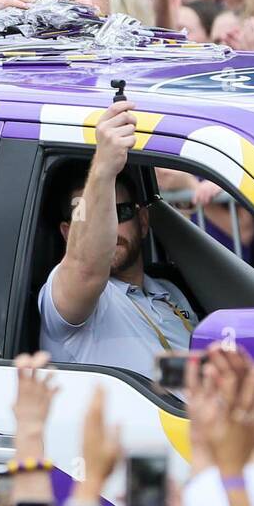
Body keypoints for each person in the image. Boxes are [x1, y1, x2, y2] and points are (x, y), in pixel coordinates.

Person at [39, 102, 199, 379]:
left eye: (120, 212)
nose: (110, 228)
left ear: (143, 222)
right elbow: (86, 267)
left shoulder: (169, 292)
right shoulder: (69, 295)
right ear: (67, 233)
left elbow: (170, 373)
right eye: (89, 217)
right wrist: (103, 167)